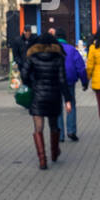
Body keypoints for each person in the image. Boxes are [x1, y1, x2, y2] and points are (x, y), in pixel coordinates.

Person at [21, 31, 73, 170]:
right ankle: (55, 153)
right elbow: (63, 80)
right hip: (54, 95)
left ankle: (42, 159)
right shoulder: (58, 58)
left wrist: (33, 84)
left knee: (38, 127)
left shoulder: (32, 57)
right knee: (54, 125)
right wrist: (68, 99)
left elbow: (24, 75)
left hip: (38, 95)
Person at [54, 32, 88, 141]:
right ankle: (71, 131)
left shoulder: (51, 50)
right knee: (71, 104)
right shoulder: (72, 50)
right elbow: (81, 67)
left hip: (55, 81)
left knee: (57, 107)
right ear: (65, 39)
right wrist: (84, 82)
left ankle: (60, 134)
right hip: (69, 81)